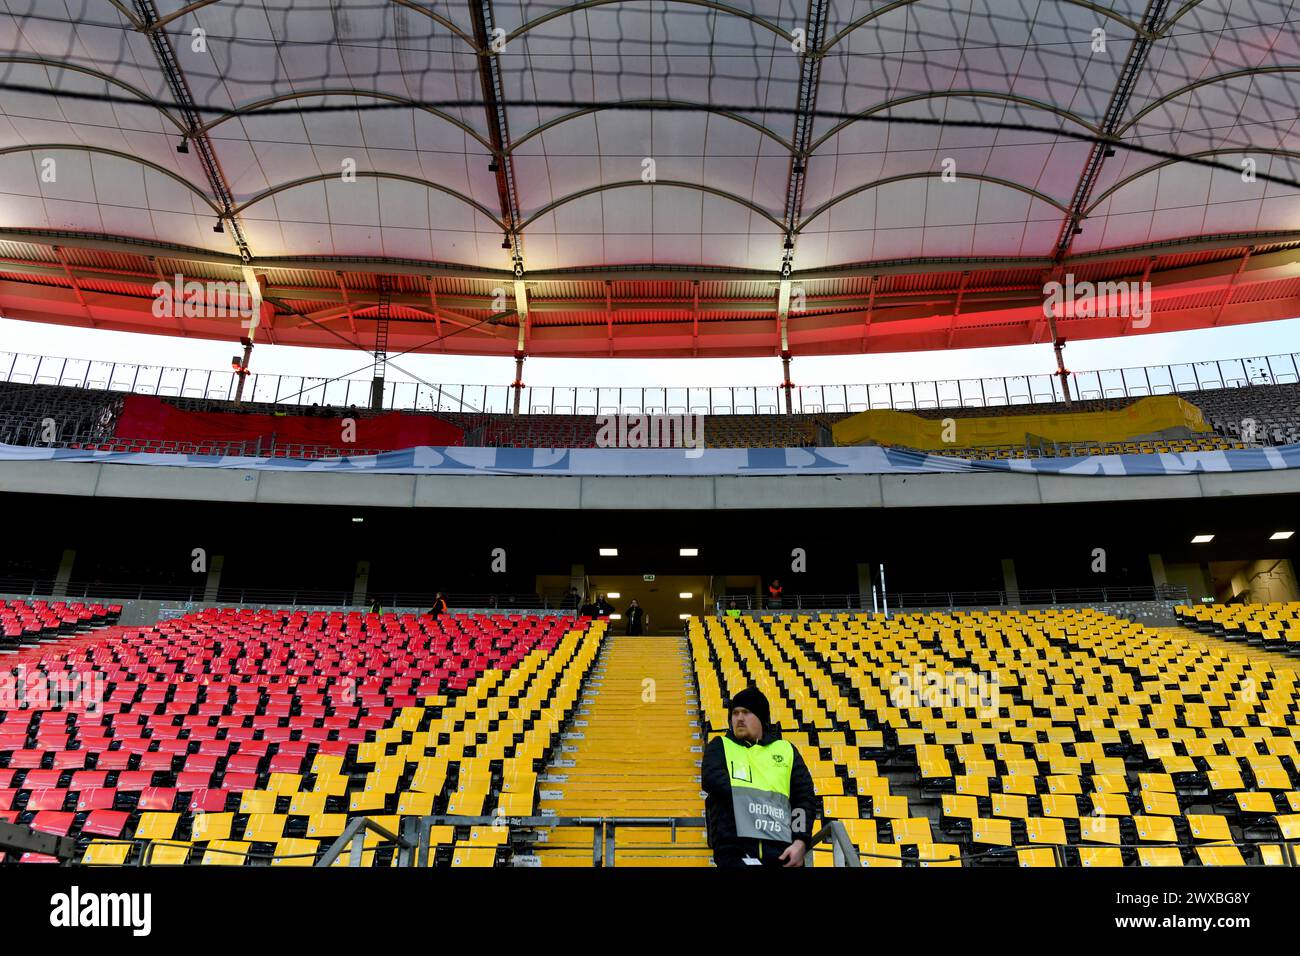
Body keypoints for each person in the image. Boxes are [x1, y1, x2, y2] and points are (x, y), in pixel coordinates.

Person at [701, 687, 817, 867]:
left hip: (782, 852)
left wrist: (800, 841)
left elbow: (803, 799)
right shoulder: (720, 746)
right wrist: (763, 803)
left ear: (761, 718)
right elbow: (712, 780)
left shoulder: (786, 750)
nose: (739, 718)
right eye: (735, 713)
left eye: (746, 712)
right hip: (735, 851)